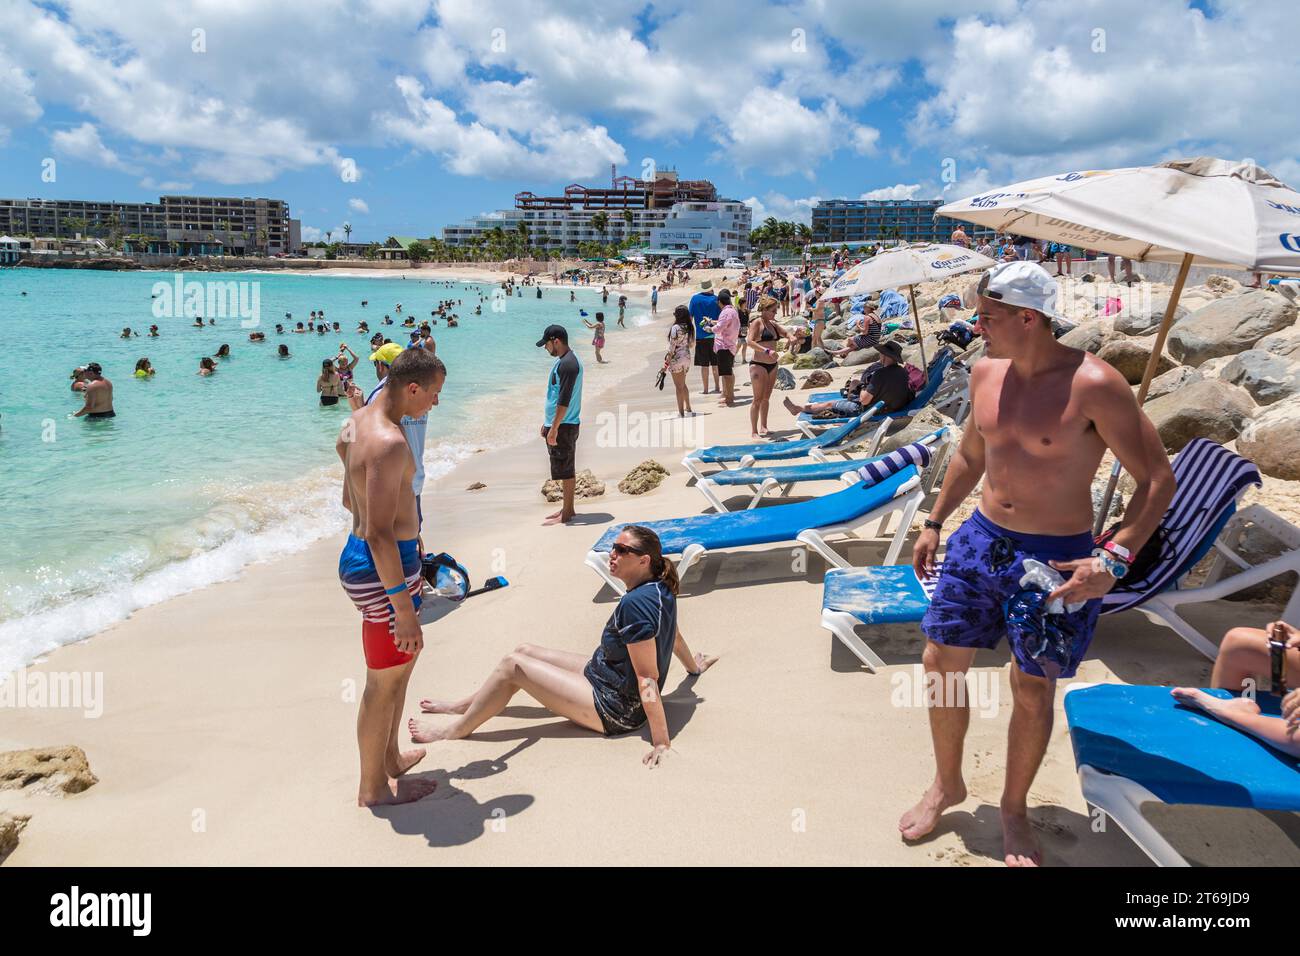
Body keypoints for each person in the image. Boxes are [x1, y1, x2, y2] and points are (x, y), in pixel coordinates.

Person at [901, 261, 1177, 866]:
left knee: (1032, 686)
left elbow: (1157, 479)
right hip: (980, 538)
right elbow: (972, 457)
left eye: (988, 317)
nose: (977, 327)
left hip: (1057, 557)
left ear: (1029, 318)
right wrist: (934, 519)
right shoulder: (985, 372)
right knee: (939, 659)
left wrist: (1115, 557)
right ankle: (948, 782)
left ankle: (1014, 808)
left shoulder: (1095, 384)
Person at [408, 525, 717, 766]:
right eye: (613, 547)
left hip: (617, 708)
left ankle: (455, 729)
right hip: (605, 675)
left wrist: (661, 741)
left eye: (622, 550)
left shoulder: (636, 604)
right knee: (524, 650)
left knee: (513, 667)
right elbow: (673, 634)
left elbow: (647, 678)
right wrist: (694, 669)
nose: (613, 554)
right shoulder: (660, 588)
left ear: (643, 560)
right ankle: (463, 705)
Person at [336, 347, 446, 807]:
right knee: (383, 682)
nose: (435, 404)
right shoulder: (391, 441)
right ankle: (373, 789)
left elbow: (349, 500)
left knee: (400, 670)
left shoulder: (355, 422)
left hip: (373, 557)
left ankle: (392, 758)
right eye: (434, 395)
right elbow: (379, 532)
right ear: (413, 388)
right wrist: (403, 608)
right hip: (383, 566)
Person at [783, 340, 912, 418]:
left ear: (884, 355)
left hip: (872, 411)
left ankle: (799, 409)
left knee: (830, 404)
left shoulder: (880, 374)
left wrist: (862, 386)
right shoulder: (903, 372)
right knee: (854, 386)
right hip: (894, 408)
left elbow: (864, 401)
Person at [537, 324, 583, 526]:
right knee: (565, 468)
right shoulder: (565, 361)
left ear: (556, 341)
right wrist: (547, 424)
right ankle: (567, 508)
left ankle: (567, 512)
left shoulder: (568, 364)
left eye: (546, 344)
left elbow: (564, 400)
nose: (546, 348)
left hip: (564, 425)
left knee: (566, 468)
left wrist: (554, 428)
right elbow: (556, 395)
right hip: (560, 423)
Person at [746, 294, 798, 439]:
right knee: (757, 399)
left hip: (772, 365)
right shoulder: (757, 322)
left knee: (766, 398)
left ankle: (764, 427)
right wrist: (767, 350)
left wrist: (791, 337)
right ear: (764, 309)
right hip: (759, 365)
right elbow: (749, 341)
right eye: (773, 311)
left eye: (776, 311)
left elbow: (786, 332)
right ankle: (754, 431)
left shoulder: (772, 324)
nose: (775, 313)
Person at [689, 279, 721, 395]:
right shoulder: (716, 299)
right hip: (716, 336)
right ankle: (717, 387)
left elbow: (690, 319)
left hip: (701, 337)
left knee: (704, 365)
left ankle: (706, 390)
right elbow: (721, 319)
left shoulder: (695, 299)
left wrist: (690, 336)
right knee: (715, 364)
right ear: (710, 288)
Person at [664, 304, 695, 417]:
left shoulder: (675, 328)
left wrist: (666, 364)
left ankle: (681, 413)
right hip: (686, 357)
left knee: (678, 387)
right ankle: (688, 408)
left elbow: (672, 347)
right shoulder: (690, 327)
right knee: (683, 384)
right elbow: (691, 344)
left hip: (676, 358)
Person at [712, 288, 740, 407]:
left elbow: (719, 328)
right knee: (728, 372)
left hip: (724, 345)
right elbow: (724, 324)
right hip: (731, 344)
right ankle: (730, 395)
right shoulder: (733, 310)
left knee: (726, 374)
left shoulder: (725, 312)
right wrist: (714, 323)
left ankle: (729, 399)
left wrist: (710, 328)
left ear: (720, 302)